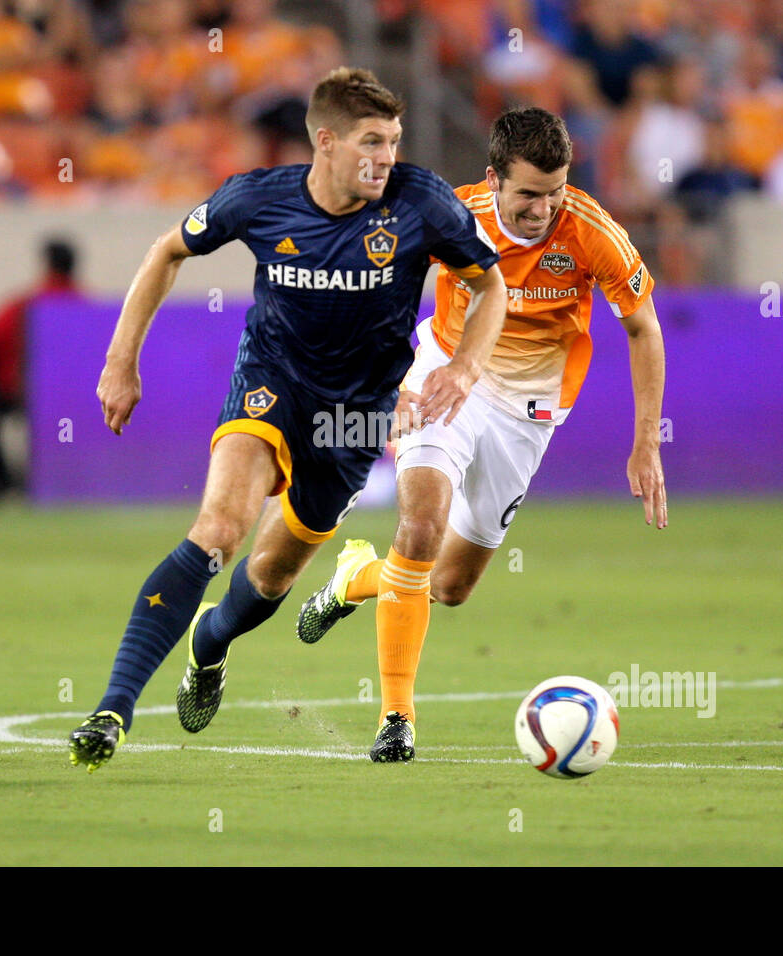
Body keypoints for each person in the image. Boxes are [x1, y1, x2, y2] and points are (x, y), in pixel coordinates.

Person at [67, 67, 507, 772]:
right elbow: (167, 251)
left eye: (392, 141)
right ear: (325, 143)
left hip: (357, 419)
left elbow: (493, 285)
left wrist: (465, 367)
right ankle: (112, 711)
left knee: (270, 579)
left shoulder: (419, 203)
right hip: (271, 389)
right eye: (371, 141)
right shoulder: (259, 198)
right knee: (217, 531)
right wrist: (121, 363)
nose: (386, 157)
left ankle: (209, 646)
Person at [296, 107, 668, 761]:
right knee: (420, 523)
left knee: (450, 585)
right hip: (446, 380)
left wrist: (646, 443)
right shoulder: (448, 215)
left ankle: (355, 578)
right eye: (528, 193)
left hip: (528, 415)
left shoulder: (589, 232)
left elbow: (644, 329)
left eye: (554, 192)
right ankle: (396, 719)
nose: (543, 208)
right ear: (494, 178)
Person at [0, 237, 78, 502]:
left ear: (46, 264)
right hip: (71, 401)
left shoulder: (23, 304)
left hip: (16, 394)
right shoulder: (85, 308)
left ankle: (2, 479)